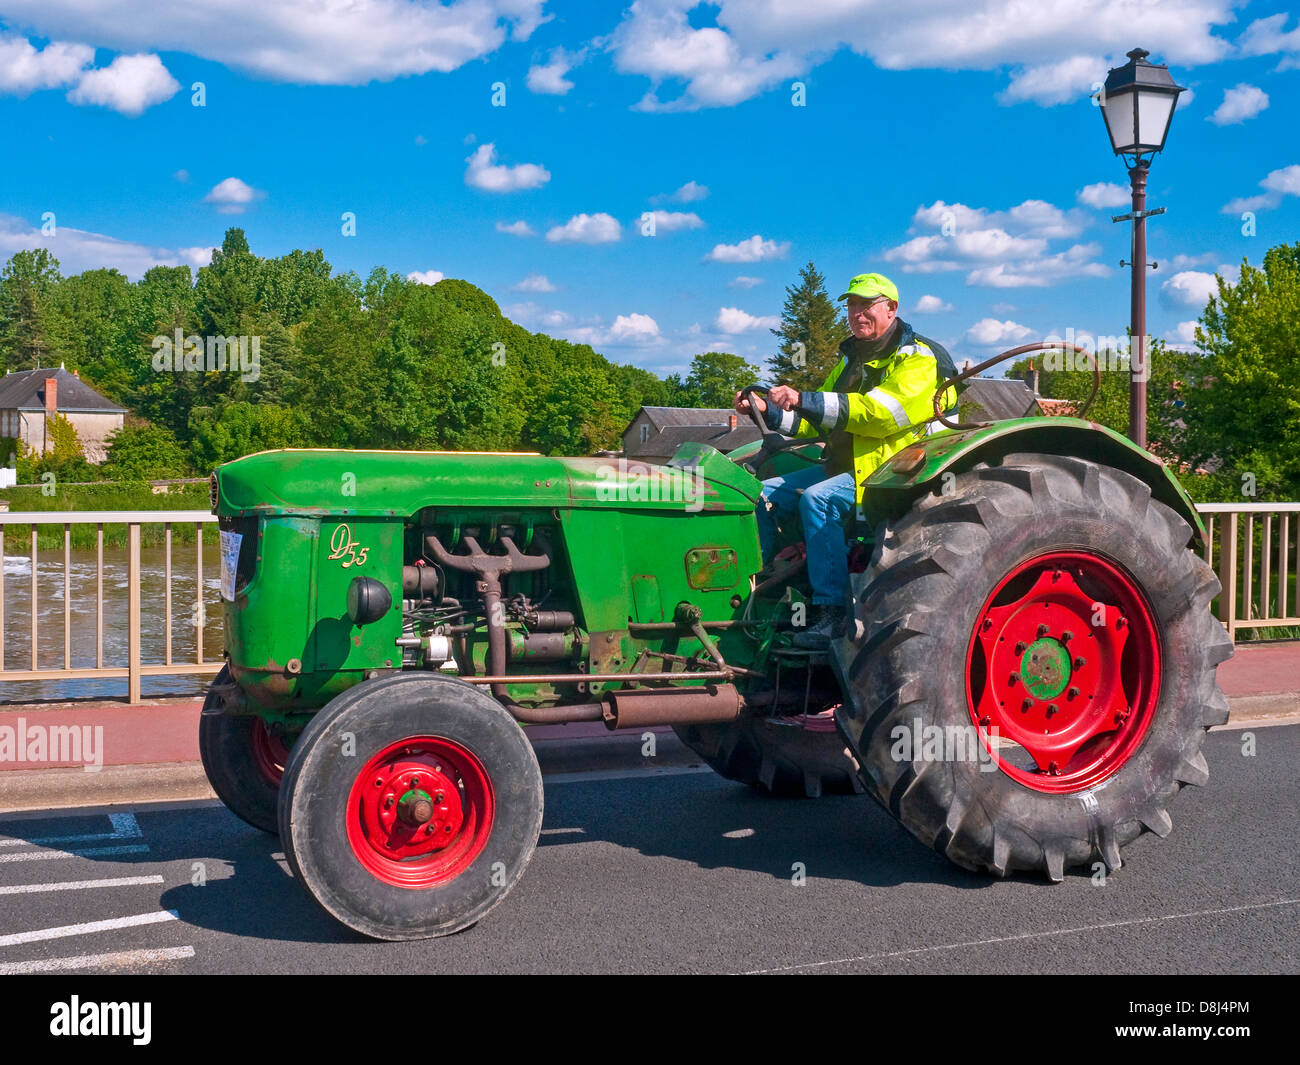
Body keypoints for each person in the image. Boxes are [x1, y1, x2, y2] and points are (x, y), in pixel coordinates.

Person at [736, 272, 956, 648]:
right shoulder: (851, 359)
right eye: (851, 305)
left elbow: (879, 414)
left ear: (892, 308)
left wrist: (805, 398)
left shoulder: (919, 357)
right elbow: (816, 422)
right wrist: (767, 410)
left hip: (890, 470)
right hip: (843, 463)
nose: (856, 313)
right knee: (758, 492)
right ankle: (757, 591)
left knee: (817, 499)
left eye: (865, 305)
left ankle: (831, 615)